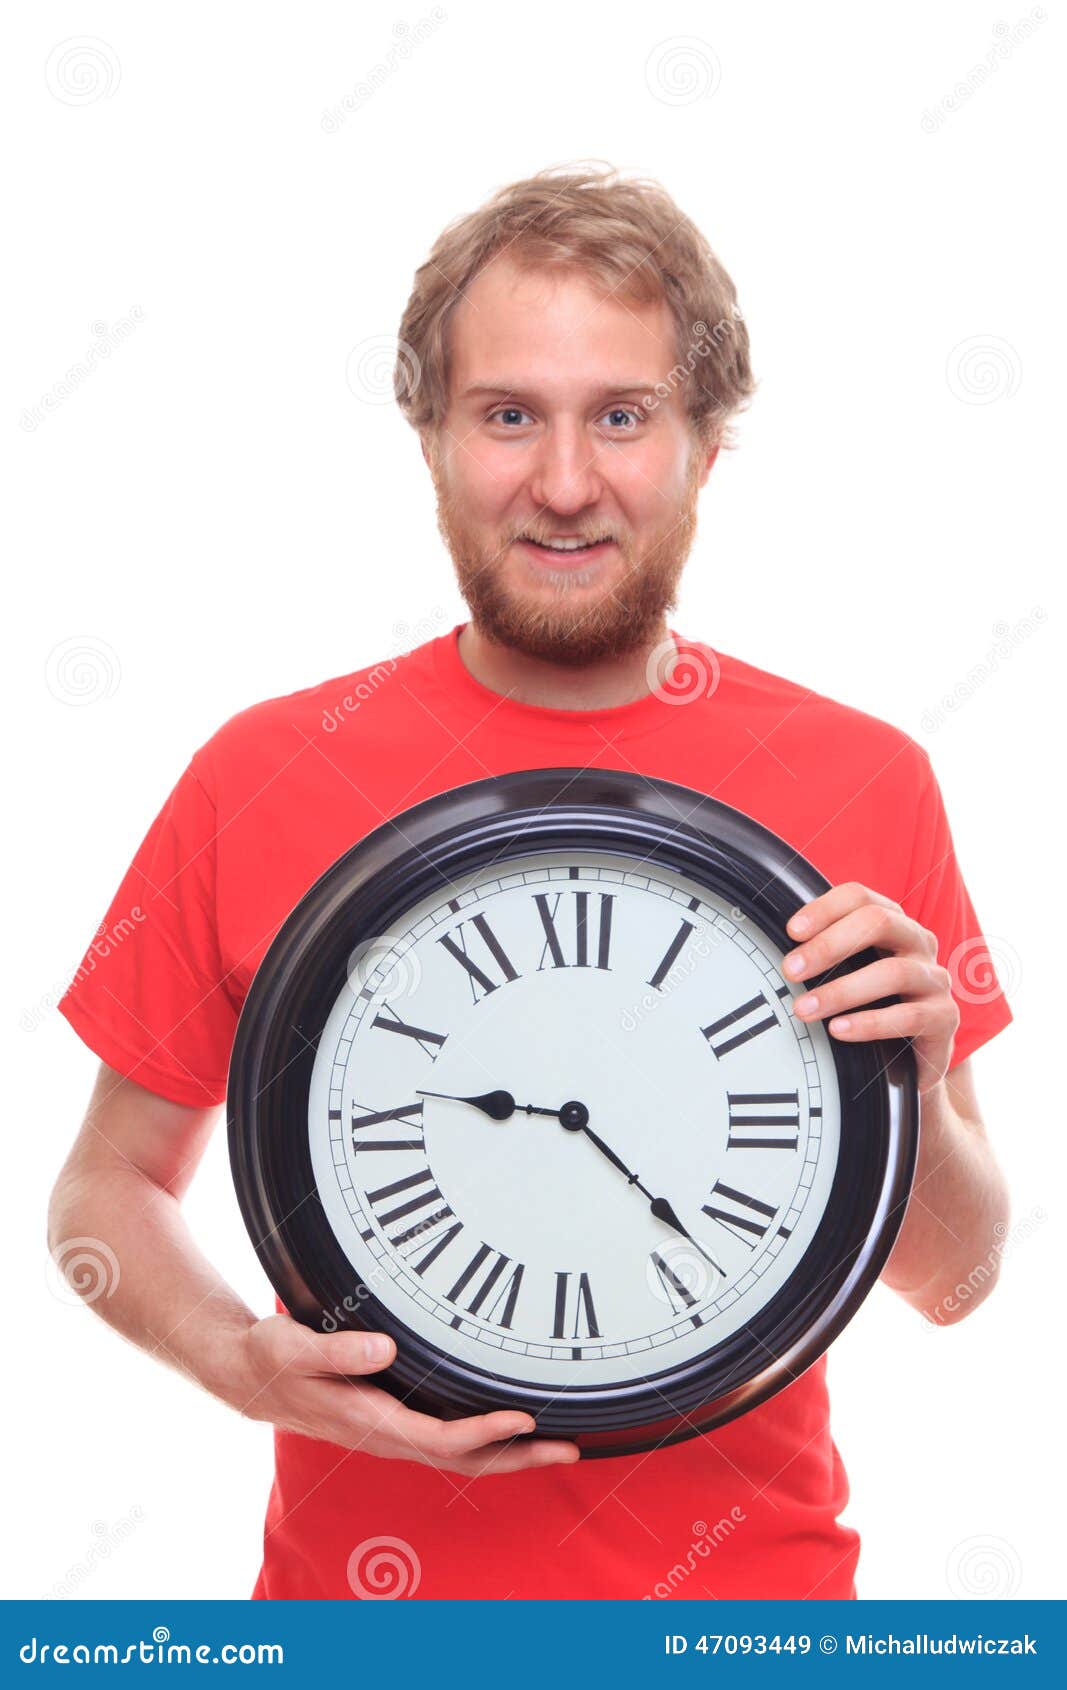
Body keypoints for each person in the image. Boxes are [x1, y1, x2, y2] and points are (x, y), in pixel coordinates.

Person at [50, 164, 1012, 1601]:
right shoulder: (260, 767)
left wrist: (919, 1086)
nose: (565, 483)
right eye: (509, 415)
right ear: (432, 436)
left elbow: (953, 1278)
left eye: (621, 415)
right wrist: (244, 1365)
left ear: (705, 442)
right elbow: (101, 1192)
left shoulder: (868, 777)